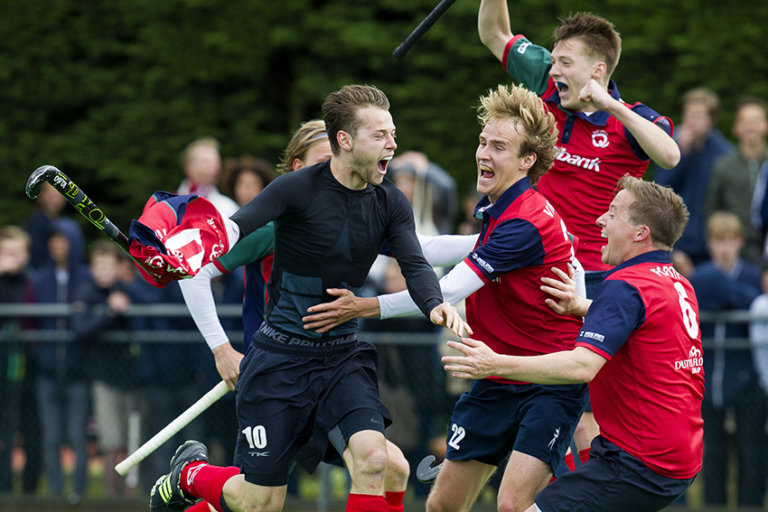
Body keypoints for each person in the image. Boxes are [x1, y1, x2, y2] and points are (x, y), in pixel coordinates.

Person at [149, 84, 467, 512]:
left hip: (340, 358)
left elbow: (415, 259)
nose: (393, 144)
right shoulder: (294, 191)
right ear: (345, 140)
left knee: (378, 459)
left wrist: (435, 304)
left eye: (393, 133)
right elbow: (231, 230)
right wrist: (182, 249)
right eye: (381, 135)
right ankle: (191, 474)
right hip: (279, 365)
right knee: (258, 502)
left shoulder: (389, 201)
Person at [304, 83, 587, 512]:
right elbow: (433, 249)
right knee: (441, 506)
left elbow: (446, 291)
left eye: (500, 147)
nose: (484, 154)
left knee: (512, 506)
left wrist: (368, 306)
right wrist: (356, 232)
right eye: (483, 142)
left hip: (544, 382)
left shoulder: (524, 221)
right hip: (494, 379)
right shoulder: (501, 208)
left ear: (528, 161)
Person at [477, 4, 680, 458]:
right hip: (532, 267)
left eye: (566, 60)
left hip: (593, 282)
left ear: (599, 69)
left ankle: (581, 490)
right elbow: (494, 32)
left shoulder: (632, 121)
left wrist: (610, 104)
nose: (555, 66)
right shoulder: (547, 79)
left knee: (586, 410)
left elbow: (669, 156)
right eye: (554, 58)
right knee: (512, 385)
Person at [443, 176, 703, 512]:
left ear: (641, 233)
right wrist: (580, 306)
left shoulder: (624, 284)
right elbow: (644, 323)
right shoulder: (675, 283)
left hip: (638, 464)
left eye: (612, 213)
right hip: (678, 457)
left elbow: (581, 366)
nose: (600, 220)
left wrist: (496, 363)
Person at [688, 211, 766, 506]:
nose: (724, 248)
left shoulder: (751, 274)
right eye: (718, 241)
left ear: (740, 242)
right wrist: (719, 287)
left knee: (751, 446)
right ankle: (714, 503)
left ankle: (752, 503)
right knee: (713, 448)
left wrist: (724, 289)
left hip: (747, 376)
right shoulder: (703, 276)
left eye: (730, 240)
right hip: (706, 376)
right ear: (709, 243)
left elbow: (753, 303)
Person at [72, 240, 142, 498]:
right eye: (98, 266)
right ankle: (113, 498)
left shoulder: (128, 290)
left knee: (134, 441)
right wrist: (110, 312)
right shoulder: (85, 292)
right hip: (103, 378)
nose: (103, 271)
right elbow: (80, 330)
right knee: (111, 441)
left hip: (133, 378)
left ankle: (135, 495)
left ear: (118, 268)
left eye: (108, 266)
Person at [31, 221, 91, 503]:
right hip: (47, 372)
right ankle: (56, 494)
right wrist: (41, 354)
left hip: (78, 372)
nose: (57, 246)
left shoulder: (86, 278)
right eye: (52, 240)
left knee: (78, 436)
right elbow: (31, 323)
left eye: (62, 240)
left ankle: (78, 493)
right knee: (51, 436)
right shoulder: (39, 279)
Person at [655, 87, 733, 274]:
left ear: (711, 120)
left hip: (710, 243)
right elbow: (661, 188)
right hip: (676, 241)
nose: (691, 121)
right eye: (688, 115)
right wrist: (681, 153)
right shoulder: (672, 147)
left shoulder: (724, 154)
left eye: (698, 116)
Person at [705, 97, 768, 264]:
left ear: (765, 125)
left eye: (756, 120)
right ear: (736, 128)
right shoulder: (723, 166)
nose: (751, 125)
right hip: (735, 251)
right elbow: (712, 209)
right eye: (744, 121)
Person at [0, 226, 39, 494]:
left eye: (15, 253)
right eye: (5, 253)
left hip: (27, 365)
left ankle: (30, 488)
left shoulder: (32, 281)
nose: (10, 259)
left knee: (29, 427)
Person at [25, 182, 85, 271]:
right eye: (50, 194)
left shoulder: (68, 225)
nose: (54, 199)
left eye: (58, 195)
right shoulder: (35, 224)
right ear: (41, 196)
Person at [176, 137, 240, 218]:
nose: (214, 167)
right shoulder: (169, 204)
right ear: (189, 167)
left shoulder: (228, 208)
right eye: (206, 162)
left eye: (216, 162)